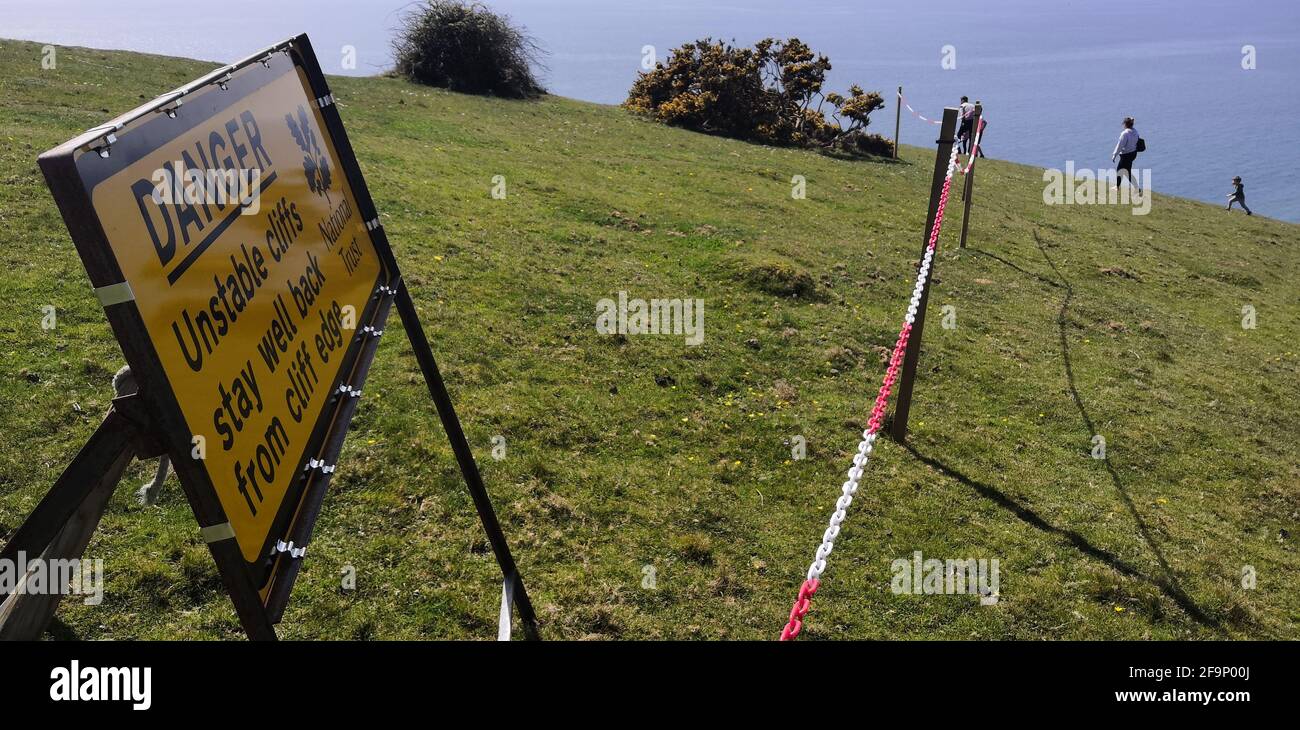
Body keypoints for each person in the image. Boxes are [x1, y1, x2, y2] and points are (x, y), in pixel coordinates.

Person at [1111, 117, 1141, 192]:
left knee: (1120, 170)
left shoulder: (1125, 133)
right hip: (1133, 154)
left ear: (1125, 124)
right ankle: (1137, 188)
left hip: (1126, 155)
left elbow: (1120, 145)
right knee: (1127, 171)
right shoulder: (1135, 131)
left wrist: (1114, 155)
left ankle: (1117, 187)